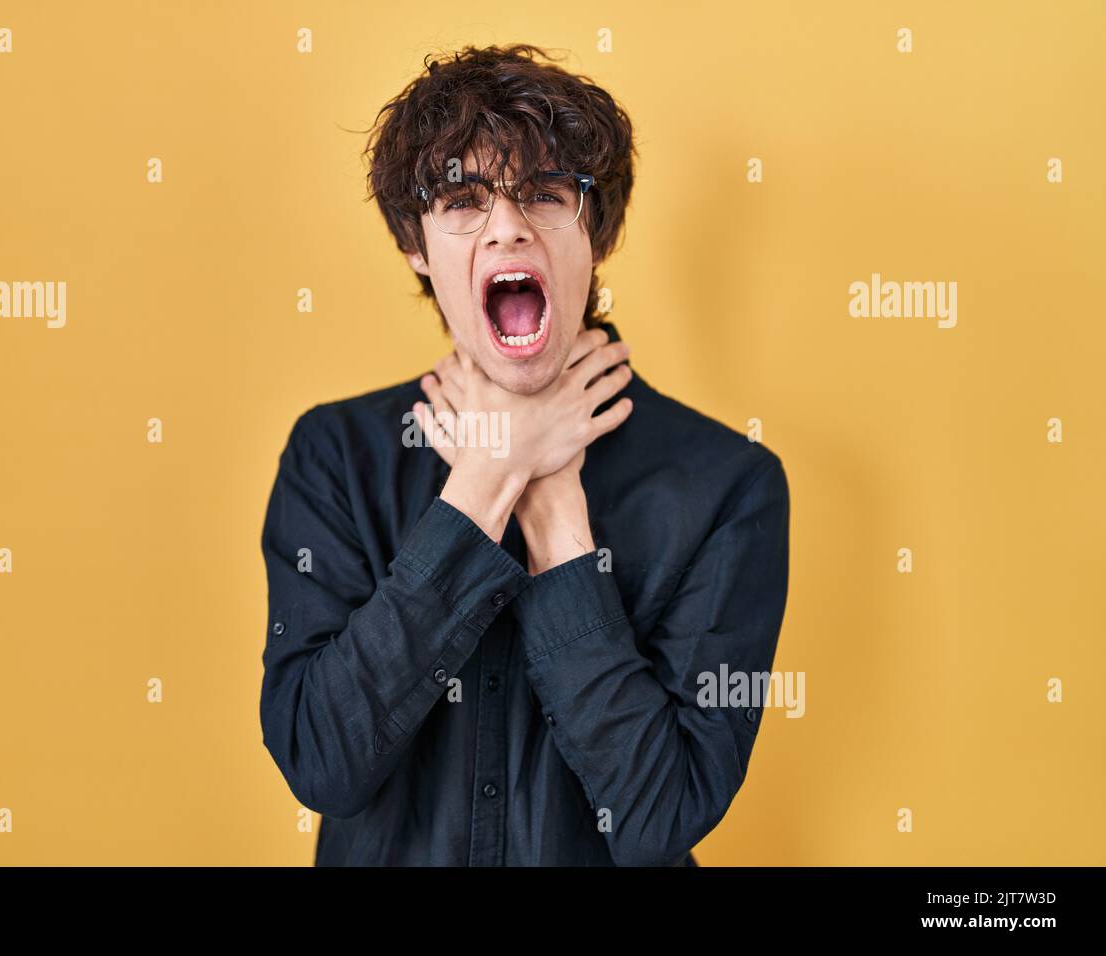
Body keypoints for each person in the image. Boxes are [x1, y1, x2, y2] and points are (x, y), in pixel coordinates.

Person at [259, 44, 790, 866]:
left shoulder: (728, 487)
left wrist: (555, 516)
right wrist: (486, 479)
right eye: (463, 199)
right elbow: (324, 761)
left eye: (545, 194)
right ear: (418, 247)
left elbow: (657, 821)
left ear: (597, 234)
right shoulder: (335, 456)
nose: (507, 224)